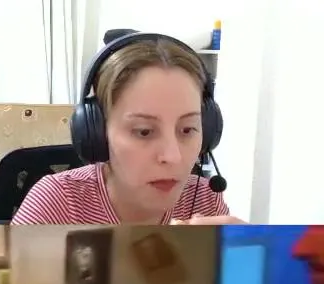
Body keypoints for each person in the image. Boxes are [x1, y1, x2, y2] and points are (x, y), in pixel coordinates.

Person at [13, 33, 244, 226]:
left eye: (187, 130)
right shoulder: (57, 203)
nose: (173, 157)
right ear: (98, 133)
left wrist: (250, 257)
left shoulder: (204, 200)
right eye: (144, 132)